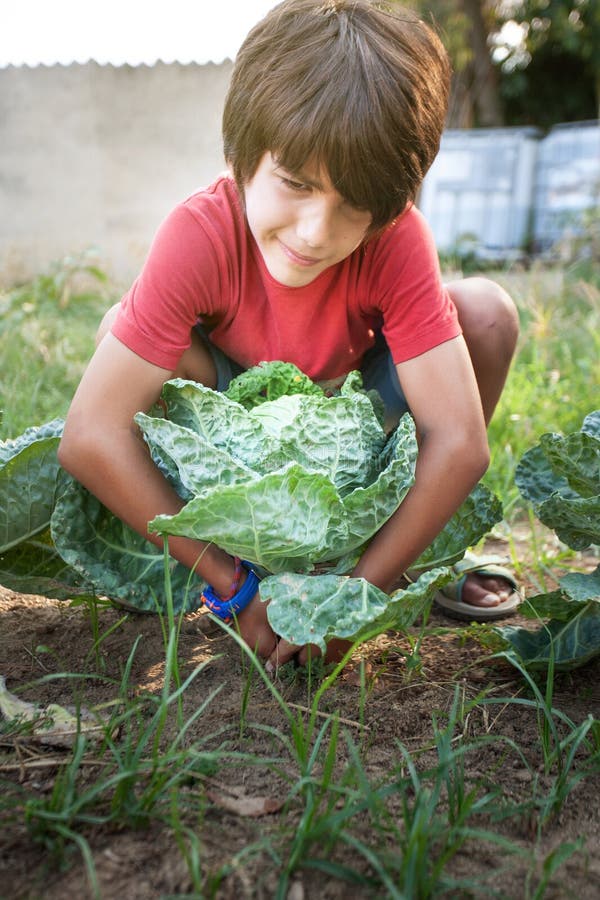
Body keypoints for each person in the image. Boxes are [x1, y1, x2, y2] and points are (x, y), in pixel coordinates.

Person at [58, 0, 521, 670]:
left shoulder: (396, 240)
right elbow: (89, 435)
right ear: (240, 154)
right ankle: (238, 561)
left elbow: (461, 442)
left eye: (354, 204)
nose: (315, 230)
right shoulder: (200, 234)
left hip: (364, 409)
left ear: (392, 203)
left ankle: (413, 553)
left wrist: (349, 603)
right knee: (120, 341)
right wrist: (234, 587)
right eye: (295, 183)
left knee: (485, 314)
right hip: (232, 406)